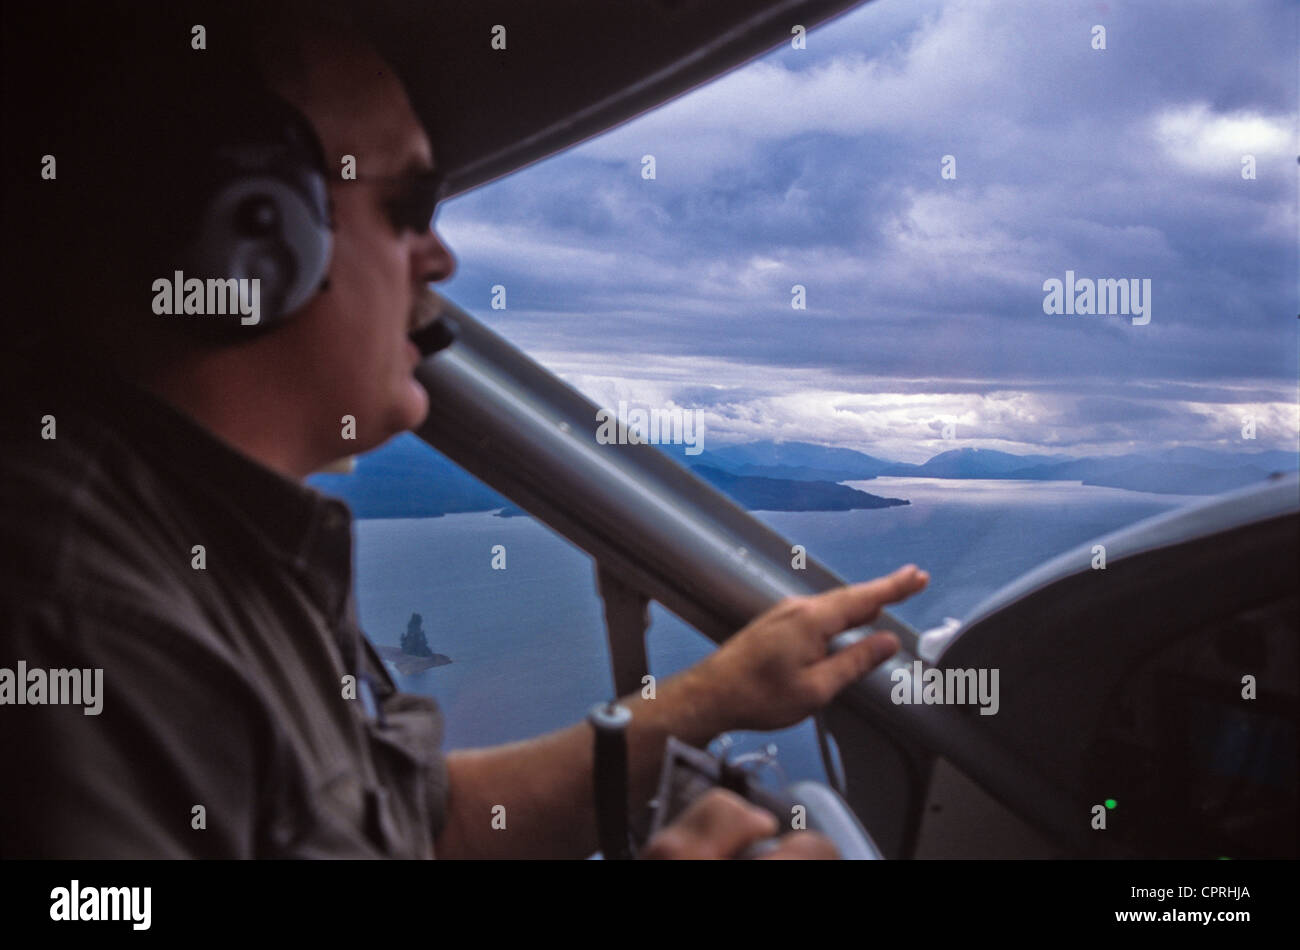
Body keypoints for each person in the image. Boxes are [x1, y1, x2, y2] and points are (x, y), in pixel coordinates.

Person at [0, 4, 928, 859]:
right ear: (251, 233)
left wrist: (703, 701)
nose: (441, 257)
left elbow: (415, 824)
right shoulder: (75, 617)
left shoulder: (216, 544)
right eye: (404, 208)